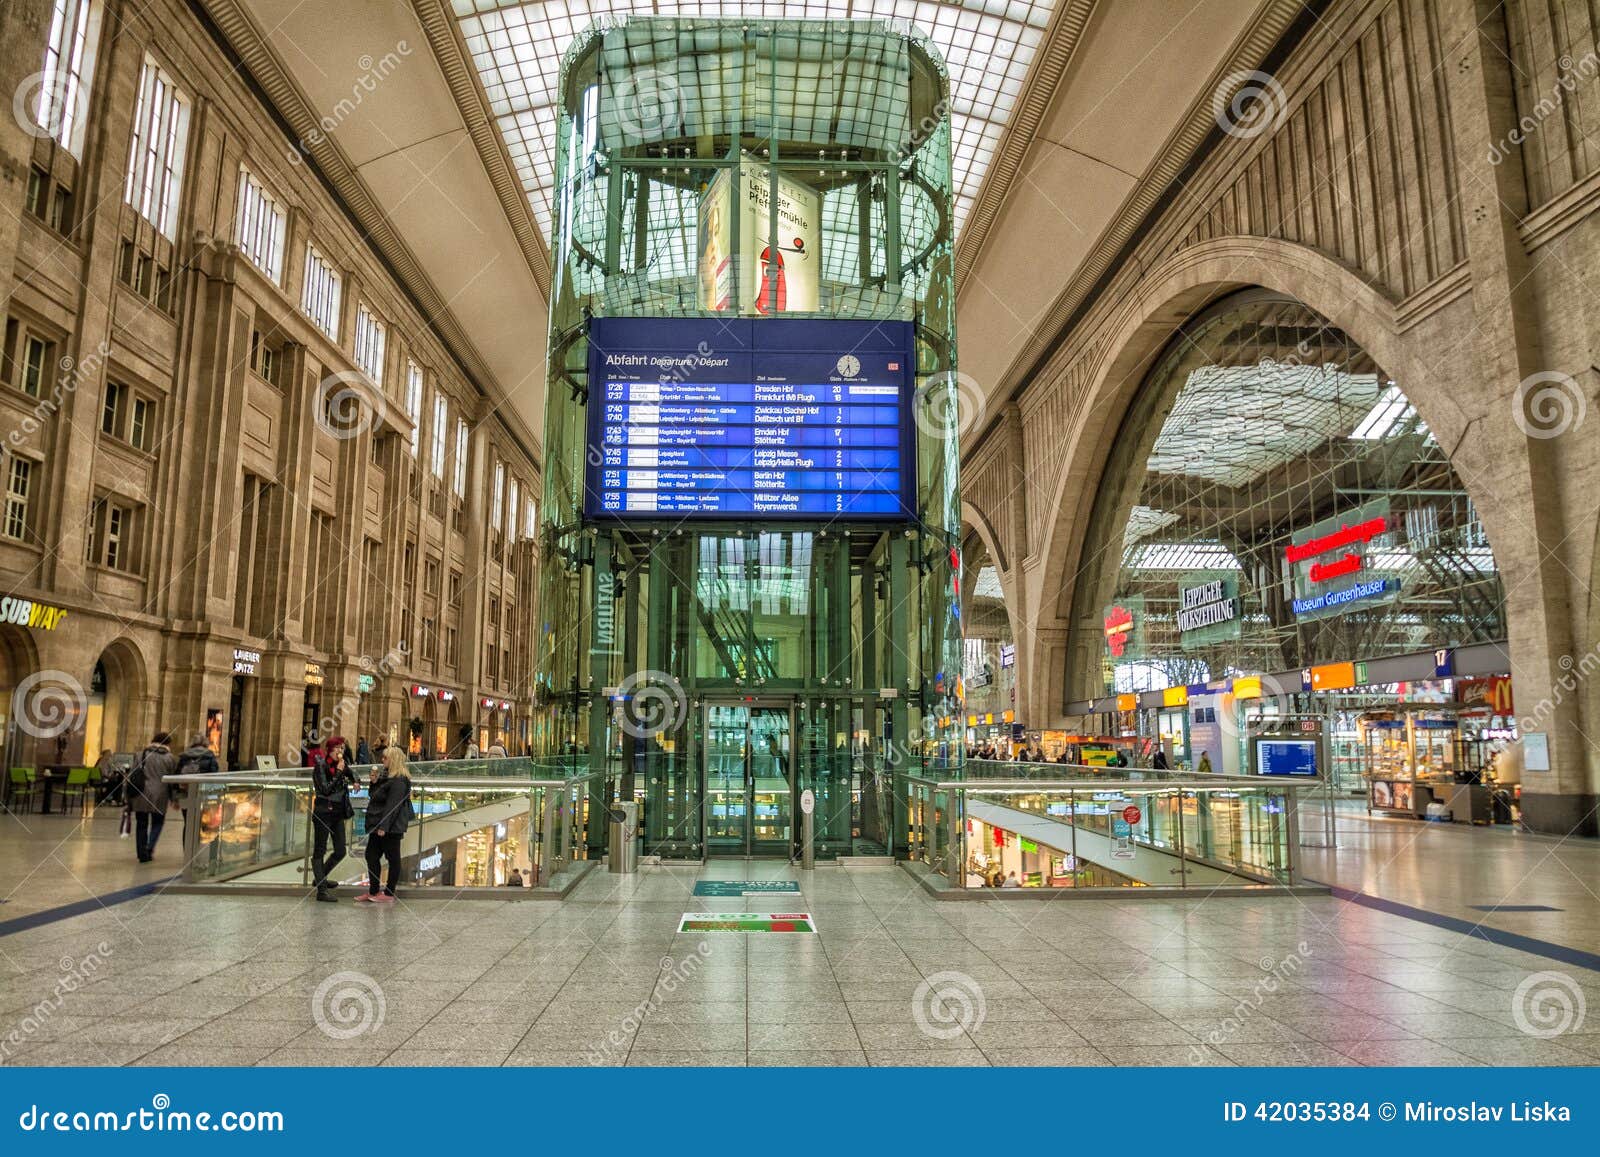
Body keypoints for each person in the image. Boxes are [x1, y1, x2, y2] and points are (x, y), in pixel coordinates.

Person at [358, 747, 412, 904]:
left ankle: (389, 893)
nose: (382, 760)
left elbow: (392, 806)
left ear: (393, 760)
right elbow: (375, 796)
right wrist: (374, 783)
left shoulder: (399, 780)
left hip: (390, 827)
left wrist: (384, 827)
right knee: (371, 855)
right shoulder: (387, 776)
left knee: (392, 857)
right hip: (379, 823)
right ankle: (373, 891)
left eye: (385, 758)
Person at [310, 735, 358, 902]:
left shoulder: (341, 765)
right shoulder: (321, 766)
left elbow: (351, 773)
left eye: (342, 748)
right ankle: (321, 891)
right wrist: (338, 772)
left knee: (340, 850)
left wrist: (355, 780)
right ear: (330, 750)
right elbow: (325, 790)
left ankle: (320, 878)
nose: (341, 751)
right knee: (319, 851)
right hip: (323, 813)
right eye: (338, 748)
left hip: (337, 814)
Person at [125, 732, 178, 863]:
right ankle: (149, 847)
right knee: (158, 822)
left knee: (141, 823)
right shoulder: (170, 758)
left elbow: (132, 774)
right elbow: (172, 781)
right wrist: (174, 798)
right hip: (160, 795)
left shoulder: (140, 754)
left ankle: (141, 852)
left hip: (141, 793)